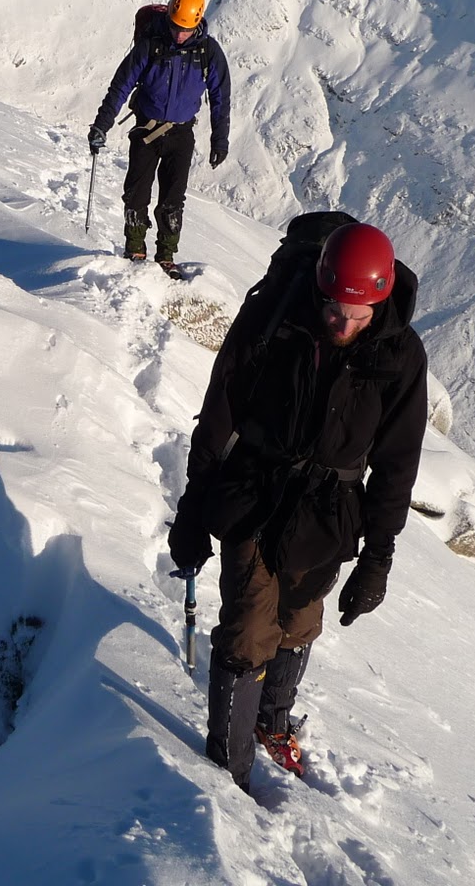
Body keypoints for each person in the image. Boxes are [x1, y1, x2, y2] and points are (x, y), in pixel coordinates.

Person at [166, 215, 428, 793]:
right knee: (247, 631)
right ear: (319, 285)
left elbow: (396, 463)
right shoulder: (273, 317)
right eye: (335, 311)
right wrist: (192, 508)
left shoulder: (401, 355)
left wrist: (378, 557)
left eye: (358, 316)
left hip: (327, 515)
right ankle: (226, 774)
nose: (344, 325)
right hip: (254, 495)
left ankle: (272, 720)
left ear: (381, 301)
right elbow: (220, 414)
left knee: (299, 622)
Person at [88, 0, 231, 272]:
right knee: (136, 193)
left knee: (173, 200)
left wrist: (220, 139)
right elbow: (120, 86)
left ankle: (166, 255)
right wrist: (102, 124)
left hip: (181, 134)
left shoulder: (208, 52)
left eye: (185, 30)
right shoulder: (151, 45)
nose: (179, 35)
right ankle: (135, 249)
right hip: (146, 131)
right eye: (175, 27)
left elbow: (220, 97)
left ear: (197, 23)